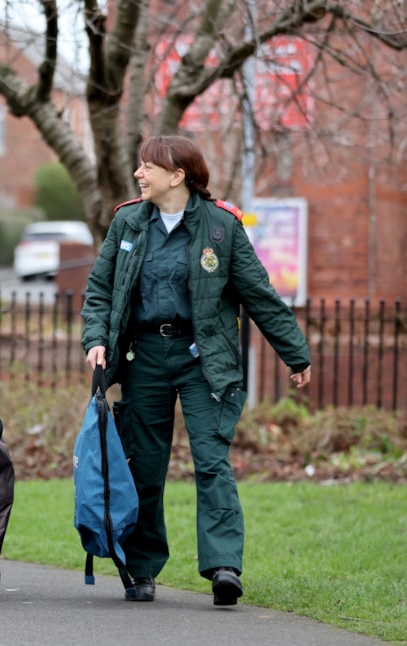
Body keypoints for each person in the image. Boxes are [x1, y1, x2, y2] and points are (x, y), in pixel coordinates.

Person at [81, 135, 312, 607]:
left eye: (148, 167)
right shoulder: (128, 220)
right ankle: (141, 569)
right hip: (143, 356)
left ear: (177, 175)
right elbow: (100, 290)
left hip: (204, 360)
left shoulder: (222, 227)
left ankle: (224, 566)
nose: (139, 174)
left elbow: (259, 294)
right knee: (144, 466)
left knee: (211, 461)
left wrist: (296, 353)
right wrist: (96, 340)